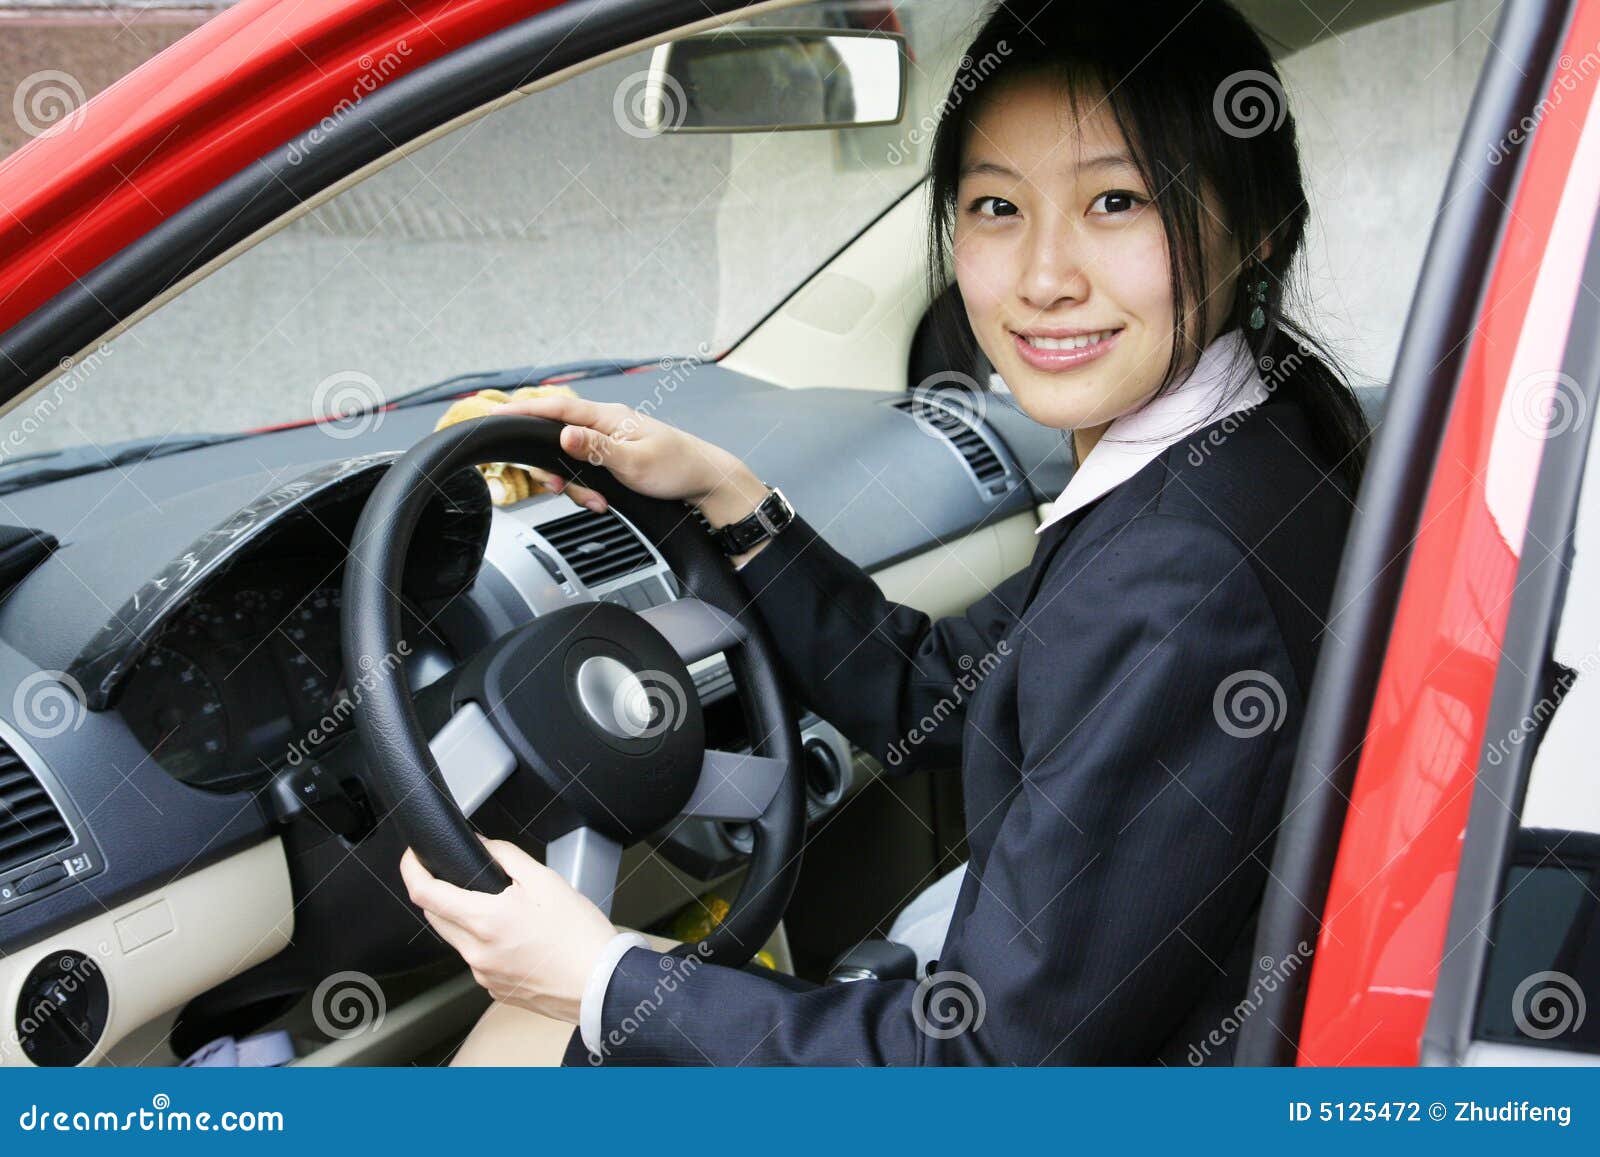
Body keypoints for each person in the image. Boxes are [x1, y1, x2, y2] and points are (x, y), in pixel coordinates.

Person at [398, 0, 1369, 1065]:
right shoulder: (1267, 438)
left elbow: (984, 1068)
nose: (1043, 278)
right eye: (997, 207)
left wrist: (601, 975)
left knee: (522, 1038)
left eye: (1116, 200)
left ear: (1259, 223)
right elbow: (938, 688)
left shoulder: (1176, 583)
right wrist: (731, 496)